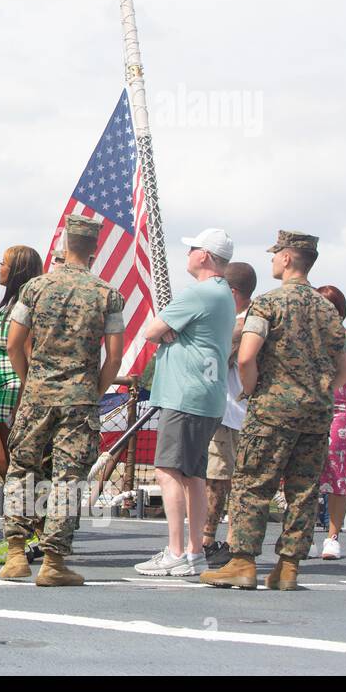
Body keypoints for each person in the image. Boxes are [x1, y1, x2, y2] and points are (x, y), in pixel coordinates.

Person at [202, 231, 346, 591]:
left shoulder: (268, 304)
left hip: (271, 412)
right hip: (316, 414)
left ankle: (242, 562)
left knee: (253, 486)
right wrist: (318, 392)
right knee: (303, 491)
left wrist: (254, 390)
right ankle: (288, 568)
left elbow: (246, 355)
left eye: (275, 254)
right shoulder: (327, 309)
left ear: (287, 258)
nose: (271, 260)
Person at [0, 214, 125, 586]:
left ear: (66, 243)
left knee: (22, 469)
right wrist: (94, 391)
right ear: (95, 249)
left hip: (37, 394)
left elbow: (12, 342)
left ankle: (15, 554)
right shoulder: (107, 295)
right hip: (81, 399)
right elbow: (115, 357)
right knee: (68, 478)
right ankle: (53, 562)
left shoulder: (35, 289)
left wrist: (31, 381)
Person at [134, 228, 236, 577]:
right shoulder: (222, 295)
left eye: (193, 248)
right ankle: (193, 552)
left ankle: (176, 550)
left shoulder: (200, 294)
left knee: (167, 471)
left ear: (205, 255)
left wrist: (165, 330)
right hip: (206, 395)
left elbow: (150, 331)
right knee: (193, 474)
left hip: (185, 394)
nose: (188, 253)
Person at [0, 245, 44, 565]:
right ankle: (33, 531)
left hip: (16, 391)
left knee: (15, 468)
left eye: (4, 263)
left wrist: (24, 401)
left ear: (17, 270)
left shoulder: (26, 307)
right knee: (4, 466)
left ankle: (26, 534)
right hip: (0, 392)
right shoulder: (9, 305)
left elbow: (30, 355)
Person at [202, 261, 257, 567]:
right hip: (240, 413)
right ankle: (221, 540)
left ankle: (215, 540)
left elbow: (217, 358)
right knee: (230, 479)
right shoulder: (256, 318)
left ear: (232, 291)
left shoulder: (240, 323)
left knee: (219, 479)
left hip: (231, 414)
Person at [314, 285, 346, 560]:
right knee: (303, 470)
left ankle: (332, 536)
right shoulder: (305, 336)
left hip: (338, 409)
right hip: (308, 407)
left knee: (335, 469)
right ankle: (303, 534)